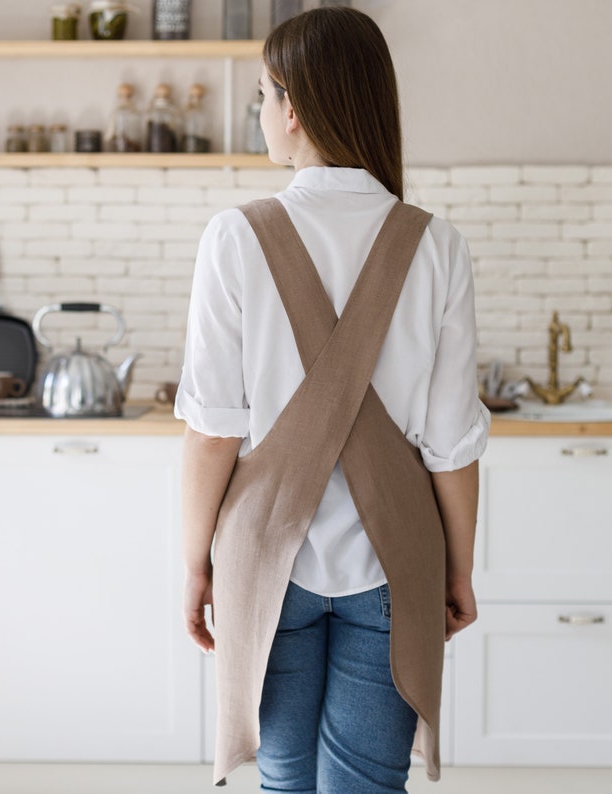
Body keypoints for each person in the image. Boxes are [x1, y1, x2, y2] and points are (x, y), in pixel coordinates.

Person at [174, 6, 490, 793]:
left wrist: (194, 564)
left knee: (284, 783)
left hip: (264, 559)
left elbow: (213, 432)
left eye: (261, 95)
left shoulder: (234, 237)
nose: (259, 114)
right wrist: (458, 568)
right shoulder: (435, 244)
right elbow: (452, 443)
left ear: (296, 107)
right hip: (393, 566)